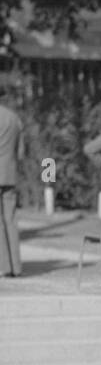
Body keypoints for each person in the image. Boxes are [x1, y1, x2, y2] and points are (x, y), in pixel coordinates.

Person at [0, 87, 24, 277]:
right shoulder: (14, 118)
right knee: (10, 220)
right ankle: (16, 266)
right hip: (10, 173)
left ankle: (4, 266)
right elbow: (21, 152)